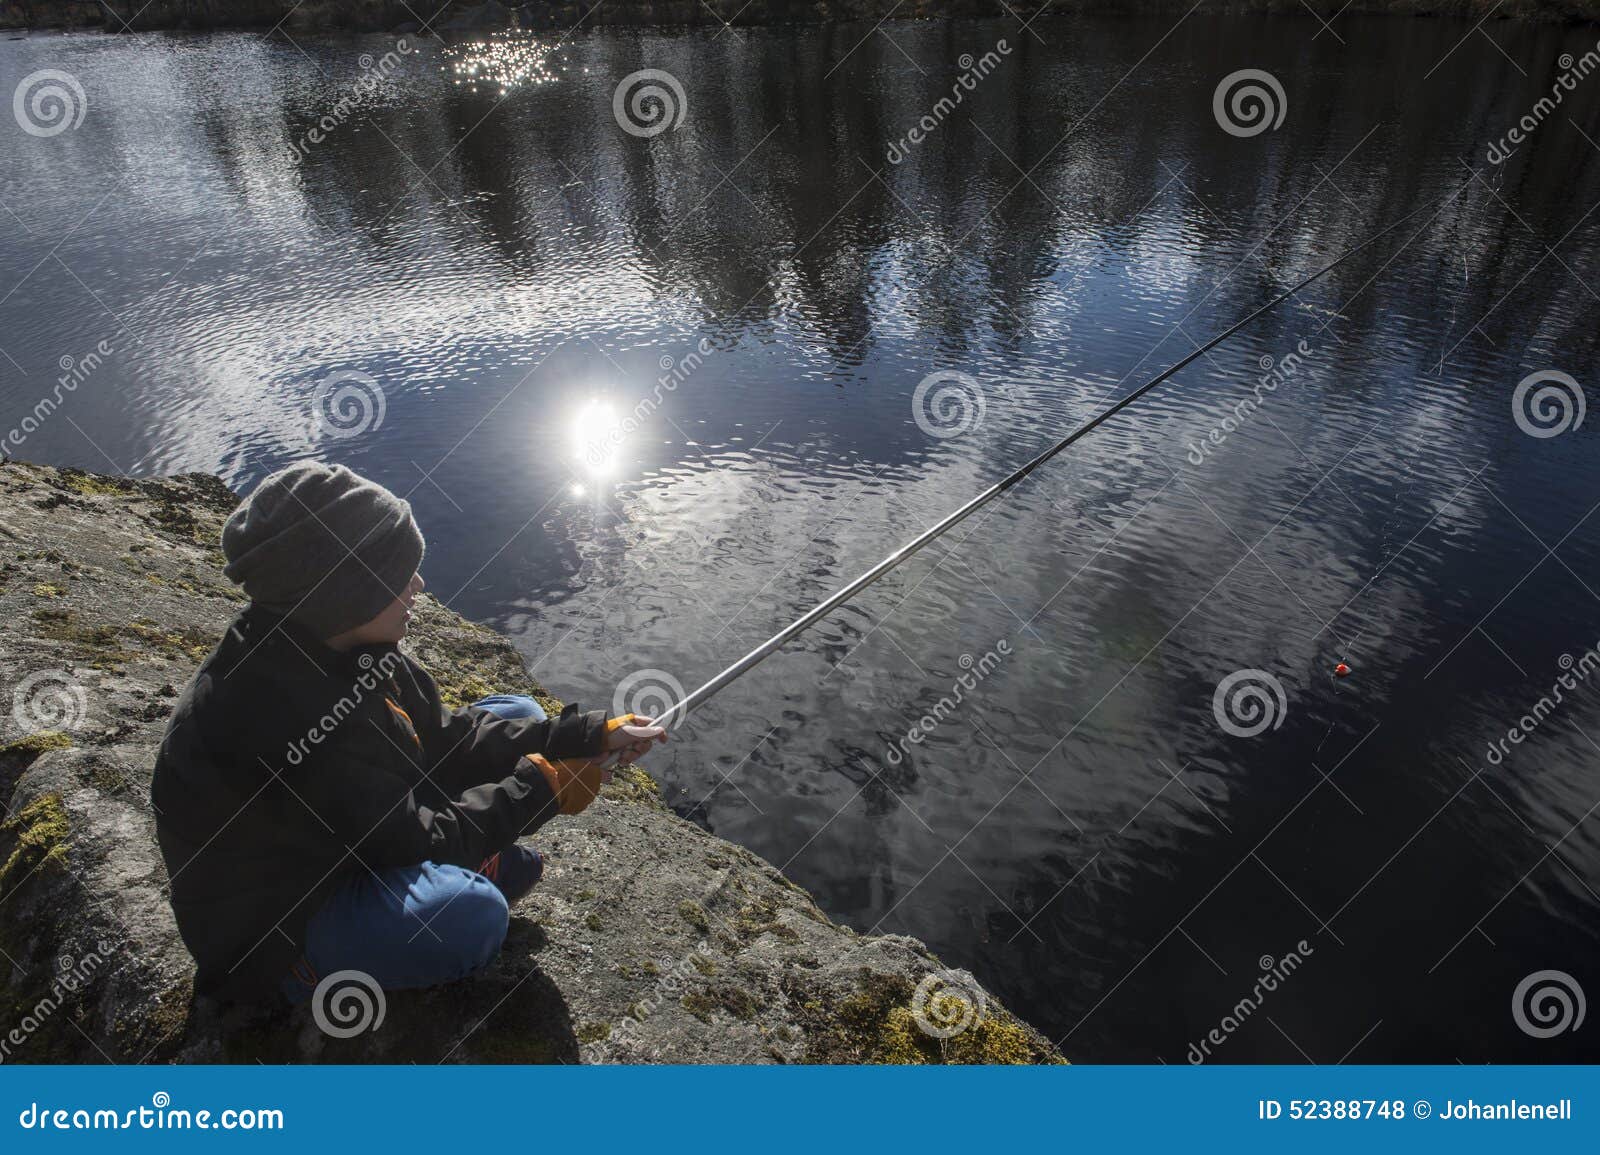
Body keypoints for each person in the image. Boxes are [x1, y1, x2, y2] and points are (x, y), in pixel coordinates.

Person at [150, 461, 664, 1006]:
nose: (418, 584)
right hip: (280, 922)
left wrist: (583, 735)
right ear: (347, 593)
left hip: (342, 840)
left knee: (517, 710)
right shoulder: (286, 715)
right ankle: (302, 979)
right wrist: (539, 788)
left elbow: (449, 739)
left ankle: (472, 862)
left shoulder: (339, 641)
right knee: (471, 917)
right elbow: (411, 843)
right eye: (399, 575)